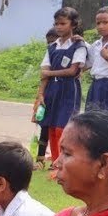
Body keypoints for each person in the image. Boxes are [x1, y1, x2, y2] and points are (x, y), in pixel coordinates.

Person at [33, 8, 86, 168]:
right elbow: (44, 74)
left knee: (62, 128)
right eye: (56, 23)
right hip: (51, 91)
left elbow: (72, 71)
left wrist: (50, 72)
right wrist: (40, 95)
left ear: (73, 25)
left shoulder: (79, 46)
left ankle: (66, 163)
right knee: (50, 127)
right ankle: (56, 164)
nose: (59, 27)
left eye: (63, 23)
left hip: (69, 91)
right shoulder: (52, 47)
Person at [34, 27, 60, 164]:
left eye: (53, 41)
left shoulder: (71, 49)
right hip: (47, 92)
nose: (50, 45)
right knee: (44, 125)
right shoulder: (50, 52)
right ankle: (40, 158)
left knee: (58, 127)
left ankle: (57, 158)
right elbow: (43, 76)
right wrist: (40, 95)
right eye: (48, 42)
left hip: (61, 93)